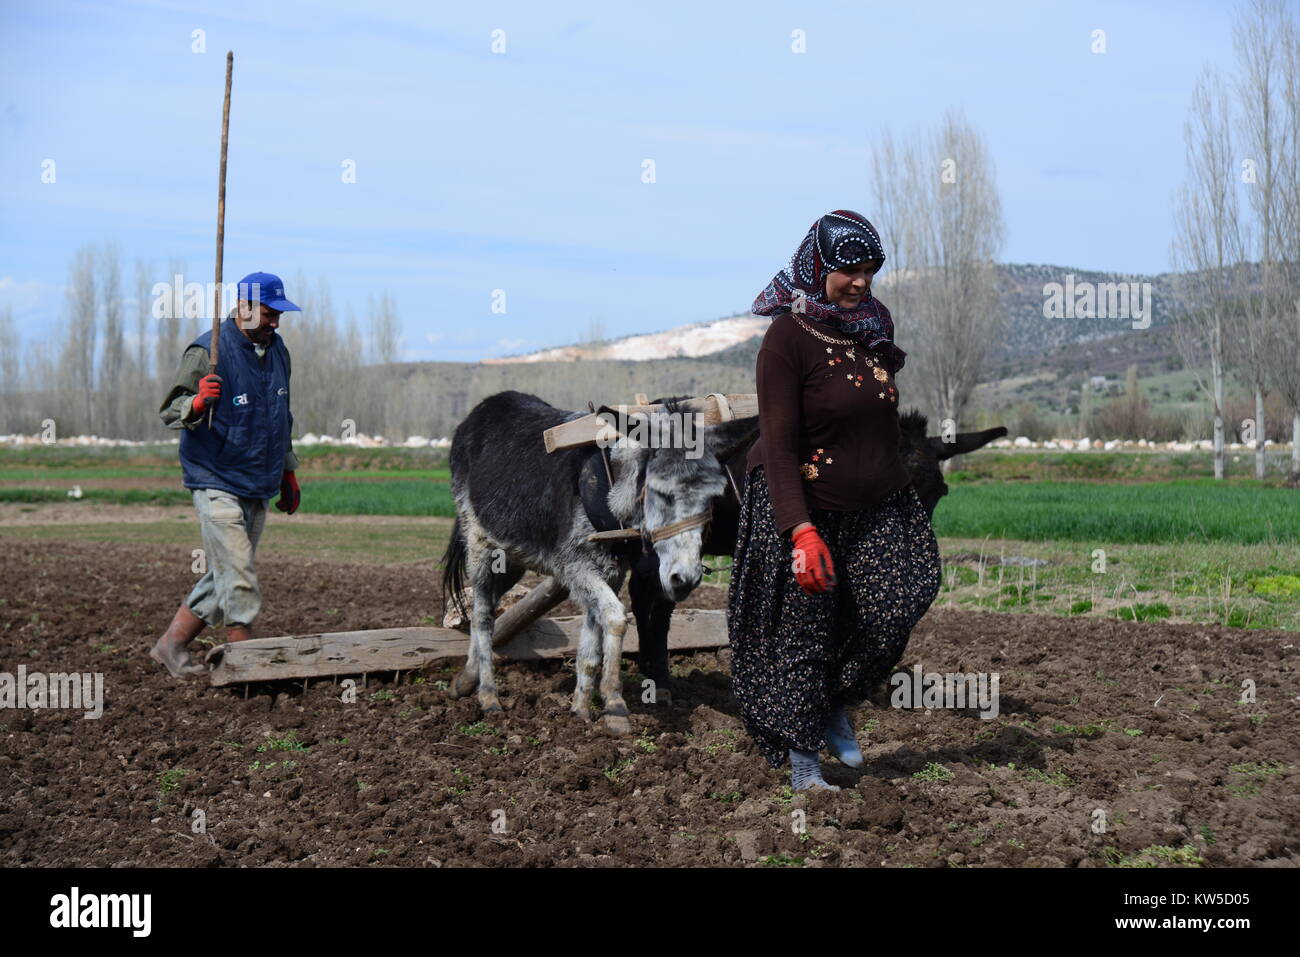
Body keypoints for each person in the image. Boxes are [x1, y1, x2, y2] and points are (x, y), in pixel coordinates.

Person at [727, 210, 942, 790]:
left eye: (871, 270)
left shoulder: (874, 323)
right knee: (805, 627)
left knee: (902, 596)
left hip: (876, 499)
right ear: (818, 266)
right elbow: (777, 443)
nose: (862, 282)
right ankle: (803, 767)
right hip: (803, 500)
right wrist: (799, 531)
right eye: (850, 270)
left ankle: (831, 700)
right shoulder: (786, 339)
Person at [150, 272, 303, 678]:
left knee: (226, 572)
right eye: (269, 314)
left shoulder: (277, 350)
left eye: (279, 315)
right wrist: (197, 402)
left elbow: (280, 416)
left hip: (258, 478)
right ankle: (245, 661)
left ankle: (172, 644)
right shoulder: (207, 351)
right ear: (242, 308)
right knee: (237, 568)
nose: (275, 322)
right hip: (214, 475)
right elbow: (170, 410)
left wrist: (287, 472)